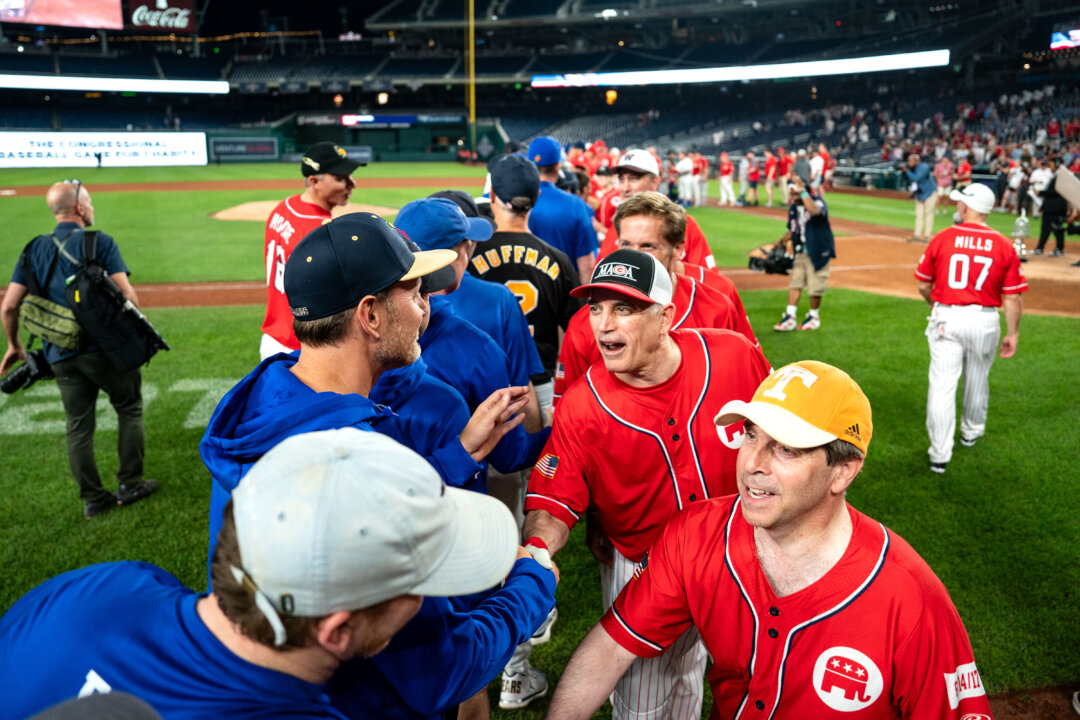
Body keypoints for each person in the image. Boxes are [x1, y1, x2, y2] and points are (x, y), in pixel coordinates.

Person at [200, 215, 551, 719]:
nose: (425, 308)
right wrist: (531, 581)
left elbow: (336, 520)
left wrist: (456, 457)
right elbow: (442, 670)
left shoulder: (265, 400)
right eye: (413, 291)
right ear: (370, 316)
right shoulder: (351, 459)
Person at [545, 361, 994, 720]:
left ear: (844, 471)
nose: (752, 464)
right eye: (750, 435)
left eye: (786, 448)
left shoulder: (911, 600)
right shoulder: (697, 533)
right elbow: (610, 648)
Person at [0, 427, 548, 719]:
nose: (430, 600)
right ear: (337, 631)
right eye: (423, 585)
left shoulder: (98, 589)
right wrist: (526, 592)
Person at [524, 249, 771, 719]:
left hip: (743, 553)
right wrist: (537, 546)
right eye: (596, 307)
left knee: (720, 683)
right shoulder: (583, 405)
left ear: (665, 318)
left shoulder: (733, 356)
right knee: (640, 704)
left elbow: (779, 432)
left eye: (624, 308)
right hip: (645, 567)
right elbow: (554, 499)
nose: (603, 324)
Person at [1, 180, 157, 519]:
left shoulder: (32, 249)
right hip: (105, 350)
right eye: (90, 203)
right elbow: (128, 296)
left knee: (78, 424)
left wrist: (14, 345)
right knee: (128, 409)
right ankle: (130, 484)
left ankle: (93, 499)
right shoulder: (98, 241)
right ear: (81, 209)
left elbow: (9, 305)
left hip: (58, 353)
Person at [915, 182, 1027, 473]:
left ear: (966, 206)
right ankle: (971, 433)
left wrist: (933, 303)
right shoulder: (1004, 244)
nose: (957, 206)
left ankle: (939, 455)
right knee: (978, 378)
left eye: (959, 203)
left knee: (942, 385)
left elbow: (923, 283)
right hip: (985, 319)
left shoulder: (943, 237)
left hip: (947, 316)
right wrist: (1012, 333)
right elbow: (1012, 297)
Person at [479, 153, 583, 413]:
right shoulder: (558, 260)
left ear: (492, 195)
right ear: (536, 197)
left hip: (481, 384)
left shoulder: (469, 256)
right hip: (538, 385)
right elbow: (581, 330)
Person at [259, 142, 363, 359]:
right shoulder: (320, 232)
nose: (352, 184)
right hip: (302, 348)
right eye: (341, 178)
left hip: (272, 338)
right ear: (314, 181)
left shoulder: (283, 208)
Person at [596, 149, 718, 270]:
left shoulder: (683, 225)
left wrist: (675, 271)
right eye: (621, 180)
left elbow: (710, 282)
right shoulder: (618, 225)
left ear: (654, 182)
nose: (625, 188)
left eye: (634, 179)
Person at [525, 136, 598, 281]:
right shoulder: (576, 205)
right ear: (558, 166)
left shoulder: (511, 201)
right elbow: (586, 266)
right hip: (564, 296)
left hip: (521, 297)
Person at [773, 175, 836, 332]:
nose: (792, 197)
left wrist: (802, 192)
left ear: (803, 191)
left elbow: (814, 211)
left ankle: (814, 317)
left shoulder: (817, 201)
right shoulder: (794, 209)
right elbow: (792, 229)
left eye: (795, 194)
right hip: (801, 251)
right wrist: (780, 241)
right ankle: (790, 317)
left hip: (819, 251)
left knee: (815, 287)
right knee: (795, 284)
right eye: (791, 194)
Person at [1032, 158, 1069, 256]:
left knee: (1057, 229)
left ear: (1057, 164)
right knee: (1045, 228)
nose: (1050, 166)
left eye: (1051, 164)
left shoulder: (1061, 176)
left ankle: (1059, 249)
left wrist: (1040, 192)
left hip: (1056, 208)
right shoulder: (1056, 176)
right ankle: (1040, 248)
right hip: (1050, 207)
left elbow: (1057, 192)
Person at [904, 153, 938, 243]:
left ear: (916, 160)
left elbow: (916, 178)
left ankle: (927, 236)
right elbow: (912, 182)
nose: (909, 162)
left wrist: (906, 171)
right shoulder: (913, 169)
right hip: (920, 194)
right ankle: (917, 235)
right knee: (919, 215)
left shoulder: (923, 167)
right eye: (909, 161)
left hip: (929, 193)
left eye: (911, 161)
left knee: (928, 215)